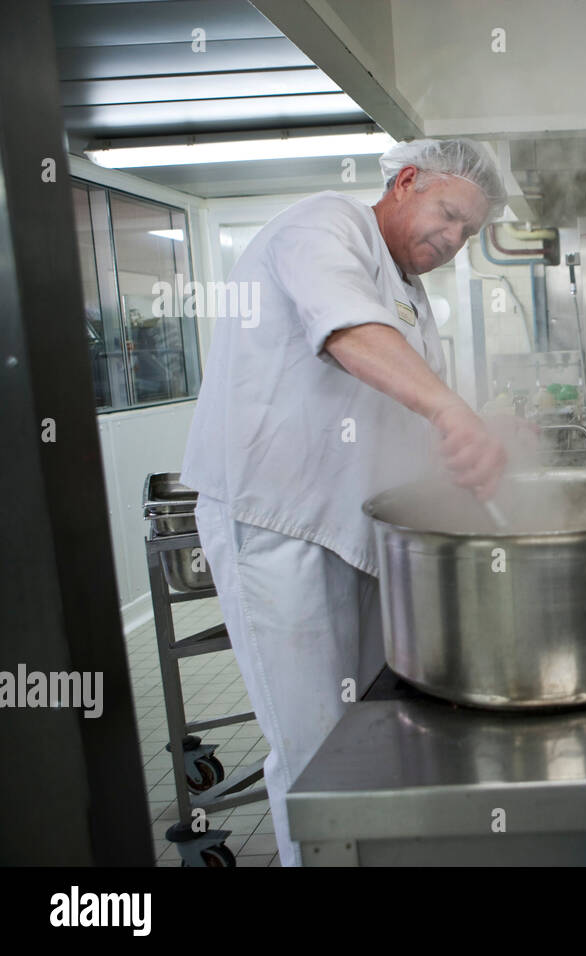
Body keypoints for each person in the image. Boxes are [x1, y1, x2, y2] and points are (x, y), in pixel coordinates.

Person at [181, 139, 508, 866]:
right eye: (450, 214)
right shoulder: (322, 225)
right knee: (315, 749)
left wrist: (472, 450)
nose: (453, 240)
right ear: (408, 179)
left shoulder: (410, 291)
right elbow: (348, 333)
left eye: (470, 233)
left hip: (352, 533)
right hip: (279, 525)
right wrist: (454, 413)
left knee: (362, 732)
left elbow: (400, 410)